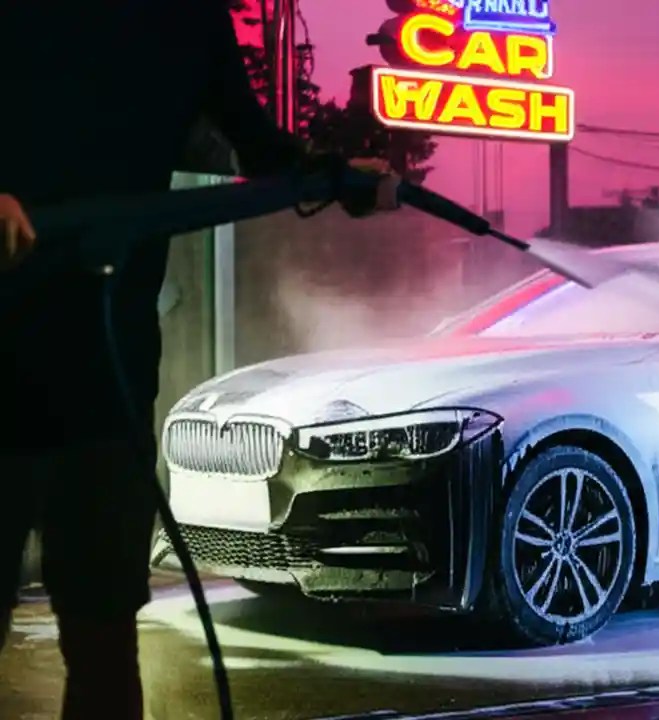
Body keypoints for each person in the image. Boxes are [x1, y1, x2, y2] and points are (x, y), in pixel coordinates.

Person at [0, 3, 389, 717]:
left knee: (104, 633)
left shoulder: (185, 20)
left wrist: (337, 179)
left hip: (106, 382)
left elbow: (257, 146)